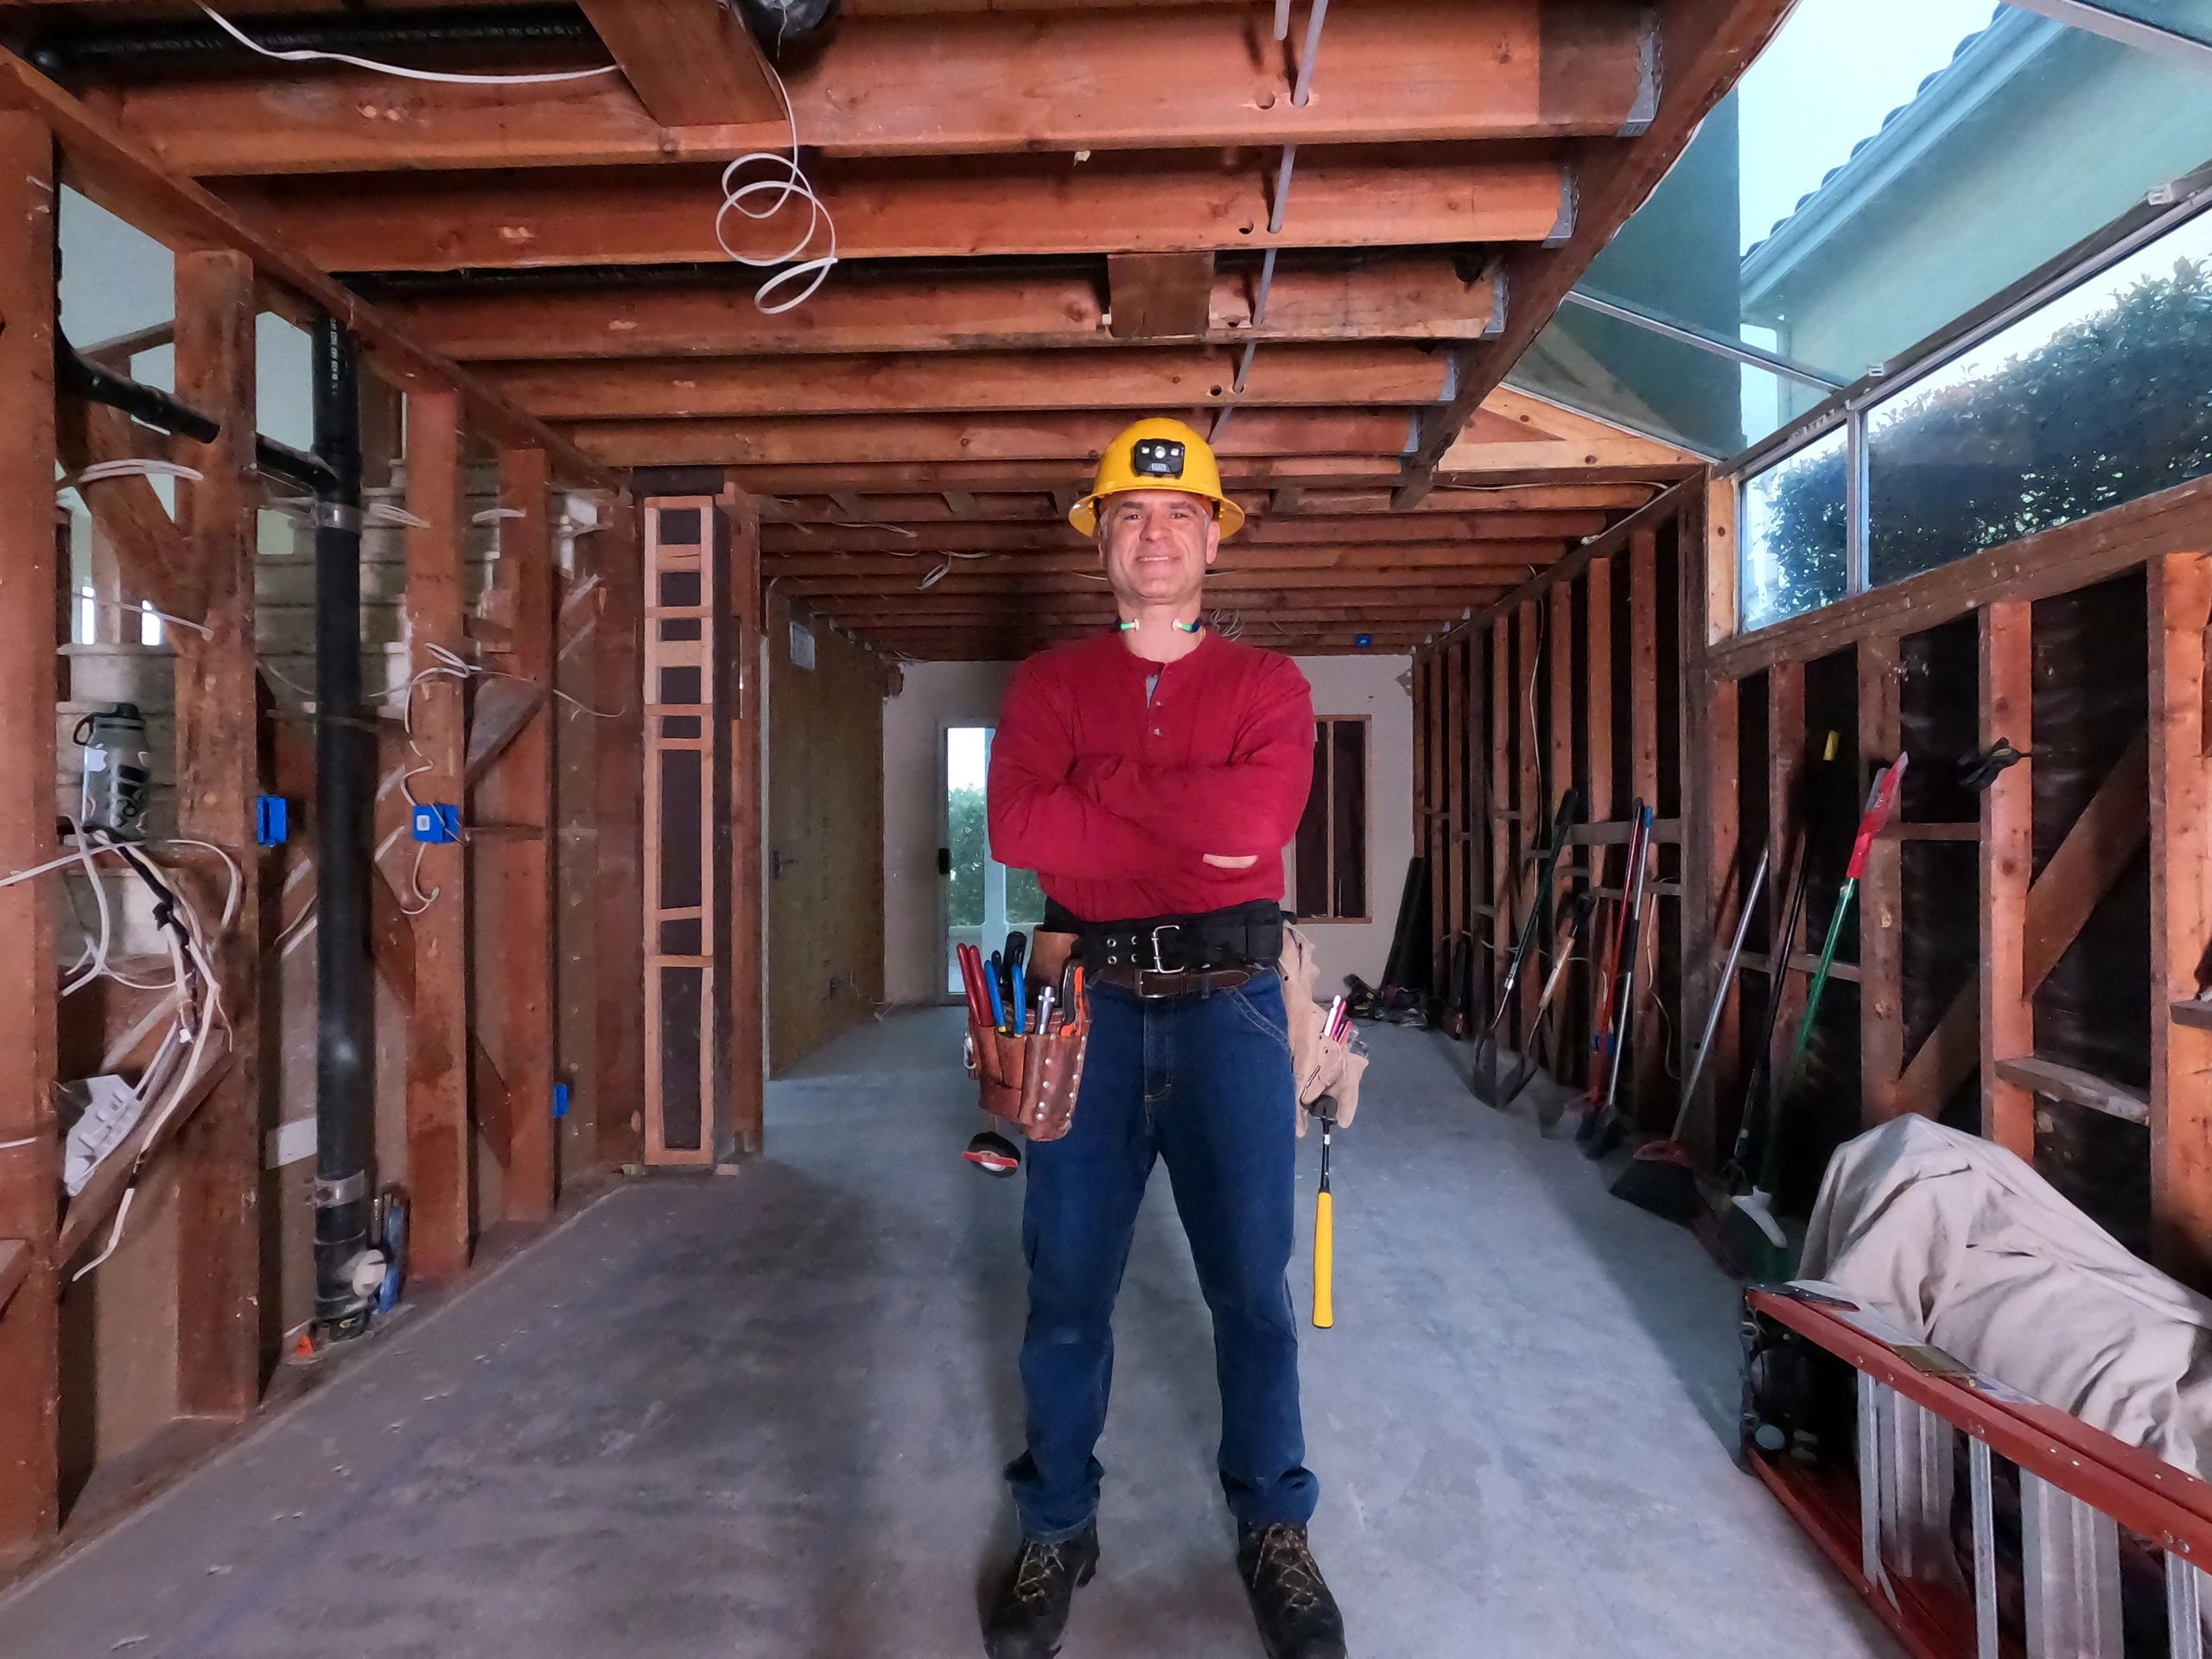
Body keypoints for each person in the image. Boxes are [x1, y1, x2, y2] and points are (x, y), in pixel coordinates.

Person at [982, 418, 1347, 1659]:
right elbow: (1020, 834)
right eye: (1131, 515)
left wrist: (1100, 802)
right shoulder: (1049, 685)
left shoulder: (1270, 686)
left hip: (1235, 1013)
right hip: (1085, 1014)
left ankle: (1275, 1527)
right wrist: (1190, 830)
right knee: (1066, 1293)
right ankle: (1058, 1523)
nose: (1156, 534)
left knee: (1251, 1293)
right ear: (1101, 541)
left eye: (1181, 513)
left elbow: (1257, 821)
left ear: (1213, 541)